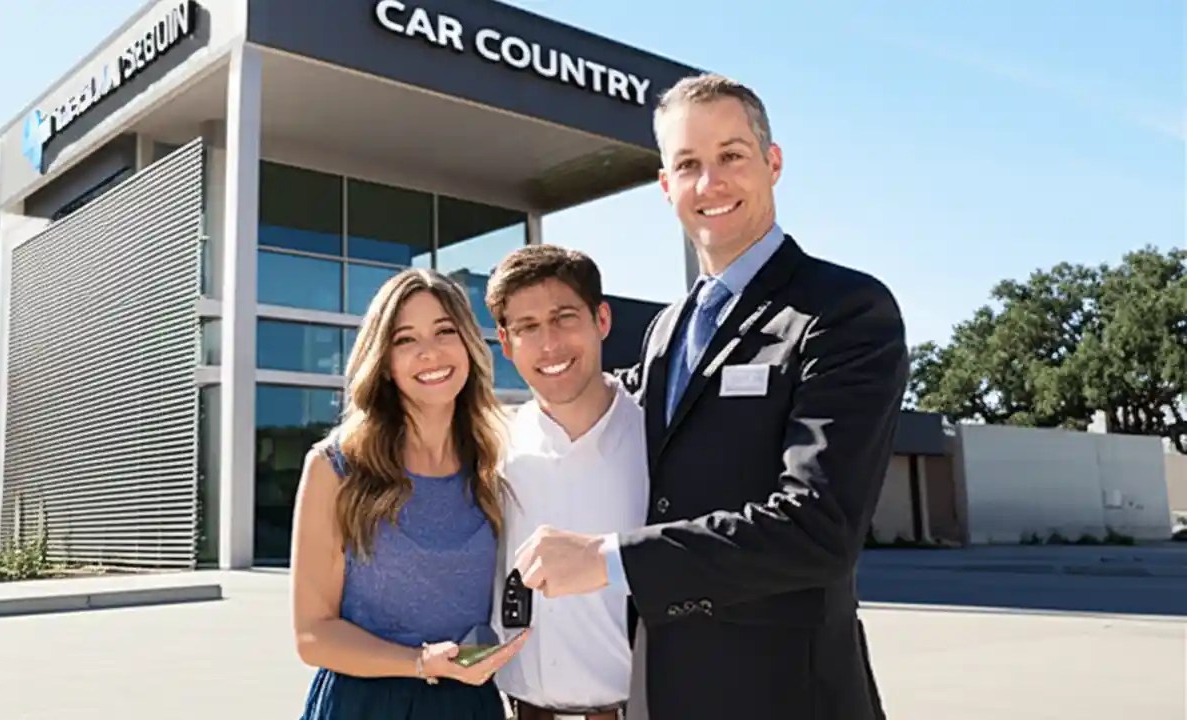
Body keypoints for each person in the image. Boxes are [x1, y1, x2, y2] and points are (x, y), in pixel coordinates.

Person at [511, 73, 909, 720]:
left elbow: (819, 527)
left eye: (731, 156)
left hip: (785, 694)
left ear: (772, 163)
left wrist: (608, 560)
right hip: (664, 690)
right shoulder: (669, 329)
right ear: (666, 186)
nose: (710, 183)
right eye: (688, 165)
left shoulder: (842, 312)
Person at [290, 268, 530, 720]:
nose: (430, 353)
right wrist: (418, 663)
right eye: (405, 340)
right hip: (366, 705)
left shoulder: (495, 463)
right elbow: (312, 635)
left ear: (468, 344)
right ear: (383, 360)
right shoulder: (335, 468)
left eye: (445, 331)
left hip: (469, 704)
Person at [483, 246, 648, 720]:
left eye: (564, 317)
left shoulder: (658, 441)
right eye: (527, 327)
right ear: (506, 341)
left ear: (602, 319)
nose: (549, 344)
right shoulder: (492, 448)